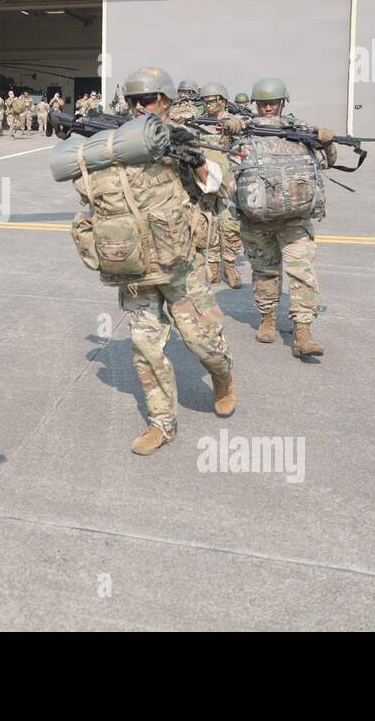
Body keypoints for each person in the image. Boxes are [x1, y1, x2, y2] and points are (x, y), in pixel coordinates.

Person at [70, 67, 238, 455]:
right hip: (135, 267)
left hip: (182, 264)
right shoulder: (115, 143)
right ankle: (162, 423)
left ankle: (222, 374)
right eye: (134, 102)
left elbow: (222, 186)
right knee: (146, 347)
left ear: (165, 100)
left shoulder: (180, 137)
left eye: (147, 100)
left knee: (202, 341)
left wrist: (194, 157)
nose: (140, 108)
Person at [223, 77, 338, 358]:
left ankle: (303, 333)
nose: (268, 107)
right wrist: (228, 134)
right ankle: (268, 319)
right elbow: (221, 165)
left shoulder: (298, 133)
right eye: (263, 103)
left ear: (283, 102)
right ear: (255, 105)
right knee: (264, 271)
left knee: (302, 272)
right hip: (256, 219)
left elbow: (327, 162)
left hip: (296, 219)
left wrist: (328, 141)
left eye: (273, 102)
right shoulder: (245, 136)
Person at [197, 82, 244, 289]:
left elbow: (248, 139)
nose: (208, 105)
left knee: (230, 224)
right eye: (205, 101)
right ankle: (213, 266)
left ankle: (231, 266)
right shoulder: (199, 122)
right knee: (209, 224)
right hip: (206, 180)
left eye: (212, 101)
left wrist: (237, 127)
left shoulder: (236, 122)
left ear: (223, 100)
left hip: (228, 181)